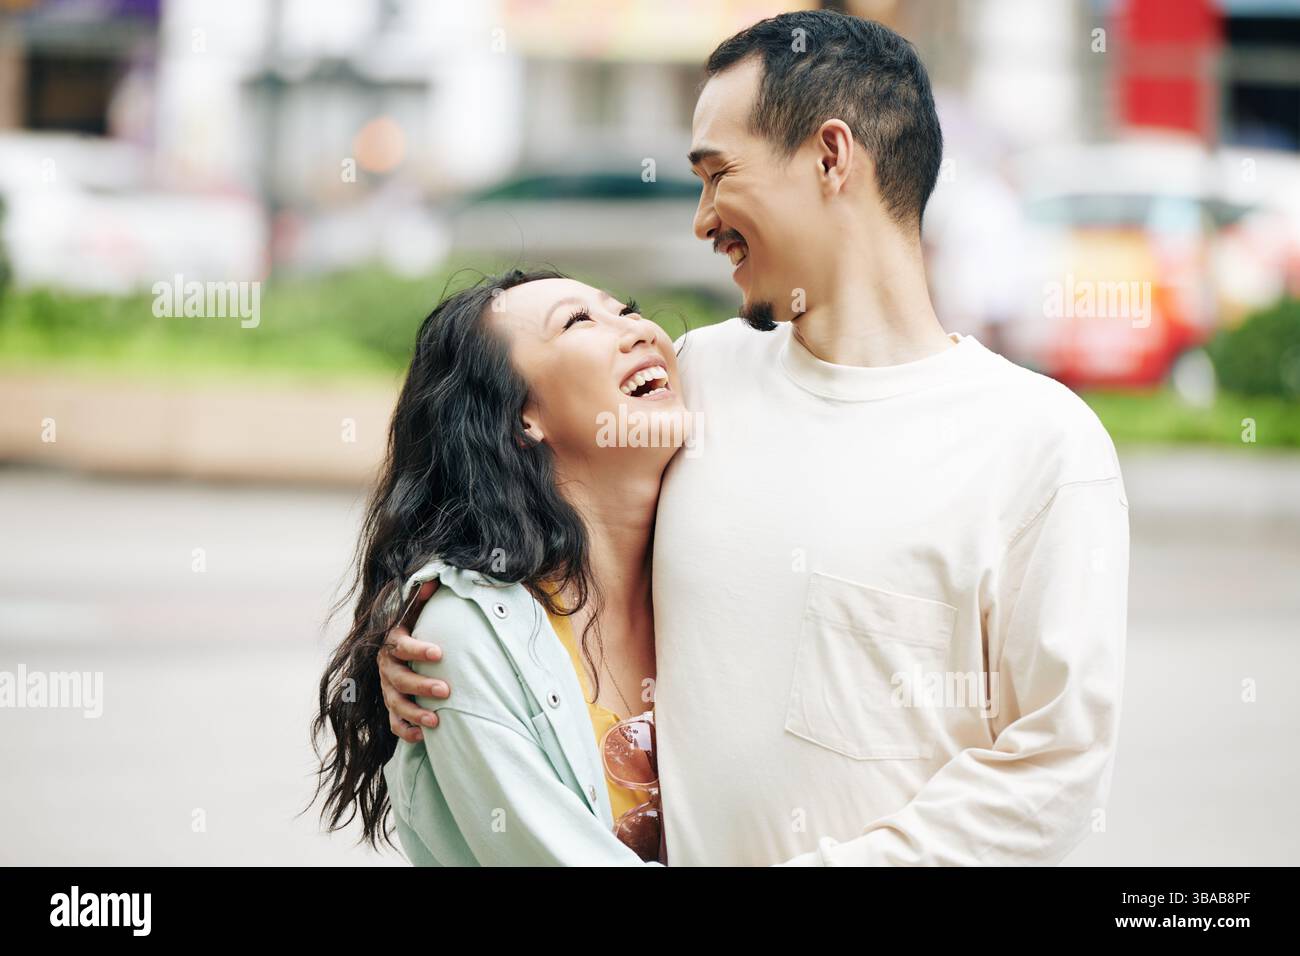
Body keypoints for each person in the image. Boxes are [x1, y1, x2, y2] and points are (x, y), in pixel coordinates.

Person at [379, 10, 1130, 866]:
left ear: (830, 157)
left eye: (717, 174)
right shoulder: (693, 384)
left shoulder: (1040, 447)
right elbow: (534, 528)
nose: (702, 220)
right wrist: (430, 658)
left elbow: (1055, 772)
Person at [313, 269, 688, 864]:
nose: (639, 329)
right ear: (520, 418)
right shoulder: (456, 639)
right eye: (578, 321)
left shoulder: (715, 569)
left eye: (629, 308)